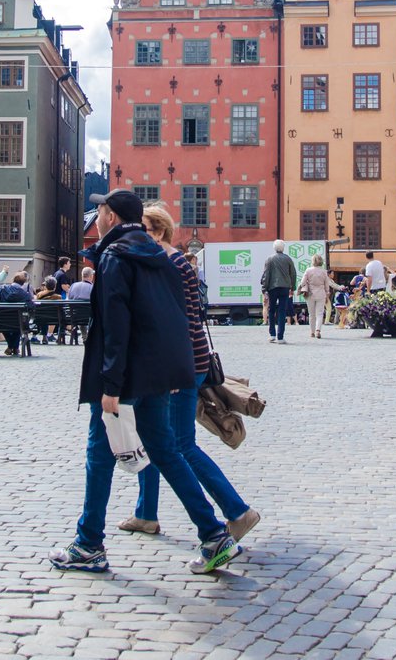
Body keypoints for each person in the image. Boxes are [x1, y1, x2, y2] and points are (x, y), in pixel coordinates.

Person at [49, 189, 240, 575]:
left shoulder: (114, 257)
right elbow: (175, 316)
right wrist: (176, 371)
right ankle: (214, 533)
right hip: (162, 371)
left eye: (100, 210)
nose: (97, 216)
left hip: (127, 374)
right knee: (165, 449)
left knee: (99, 453)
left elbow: (115, 327)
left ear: (112, 218)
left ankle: (89, 544)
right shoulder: (161, 257)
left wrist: (111, 386)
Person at [120, 203, 261, 542]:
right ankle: (145, 512)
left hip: (179, 365)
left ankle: (238, 512)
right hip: (181, 362)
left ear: (158, 232)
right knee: (151, 436)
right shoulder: (171, 262)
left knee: (180, 445)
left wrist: (170, 372)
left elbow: (176, 320)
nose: (138, 235)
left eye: (144, 229)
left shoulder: (169, 263)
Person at [0, 270, 33, 355]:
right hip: (17, 321)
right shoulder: (25, 294)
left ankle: (11, 347)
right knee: (19, 324)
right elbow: (31, 307)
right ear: (23, 283)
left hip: (1, 320)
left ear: (13, 280)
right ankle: (14, 347)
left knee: (5, 324)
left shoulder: (2, 289)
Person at [261, 240, 296, 344]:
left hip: (272, 288)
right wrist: (292, 287)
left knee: (271, 310)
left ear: (274, 248)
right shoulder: (288, 259)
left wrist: (264, 289)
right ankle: (280, 337)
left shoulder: (269, 259)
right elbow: (293, 274)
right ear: (283, 248)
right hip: (285, 287)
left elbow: (266, 275)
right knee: (282, 311)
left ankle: (272, 334)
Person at [297, 254, 340, 340]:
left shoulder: (308, 270)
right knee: (320, 314)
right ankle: (318, 330)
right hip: (321, 294)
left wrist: (300, 288)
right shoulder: (324, 271)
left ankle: (312, 332)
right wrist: (327, 292)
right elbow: (326, 284)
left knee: (311, 314)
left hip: (310, 294)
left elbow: (302, 282)